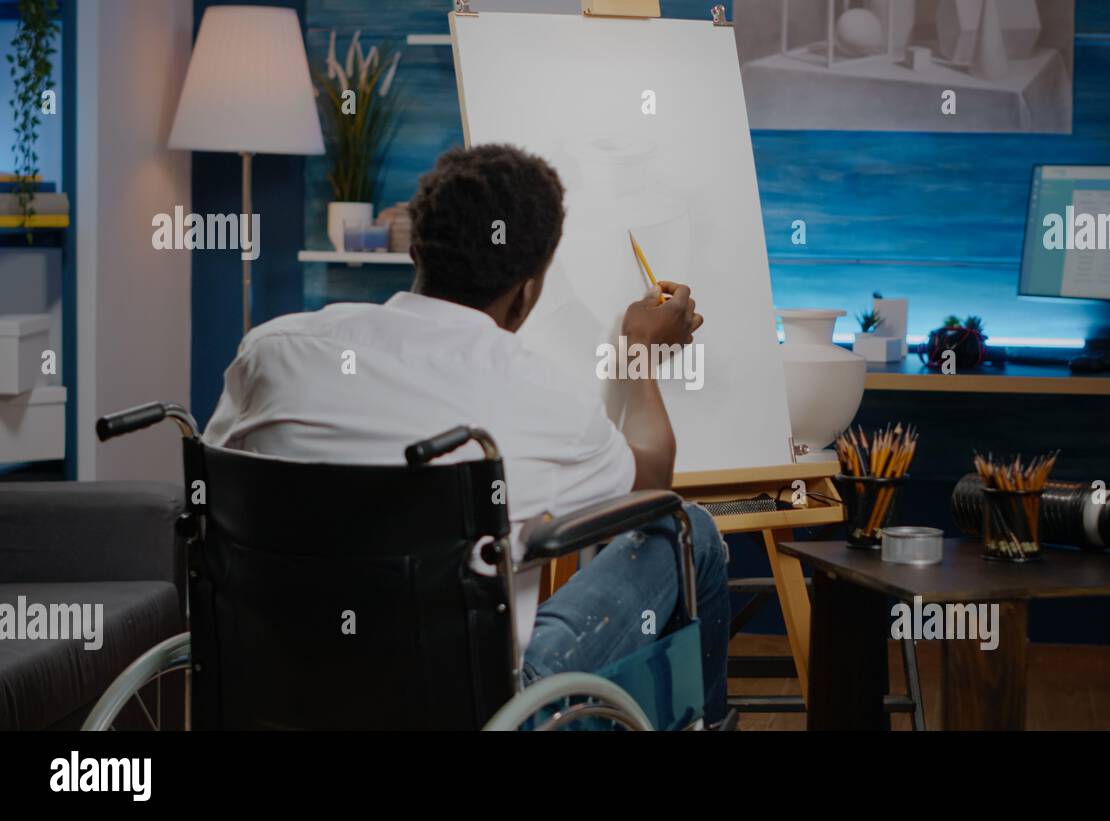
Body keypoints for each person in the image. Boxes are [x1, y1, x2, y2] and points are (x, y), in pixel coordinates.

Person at [204, 144, 731, 725]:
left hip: (282, 687)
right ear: (529, 289)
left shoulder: (276, 351)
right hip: (470, 708)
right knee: (690, 529)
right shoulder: (540, 395)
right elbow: (652, 476)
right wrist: (641, 349)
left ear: (416, 247)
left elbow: (215, 491)